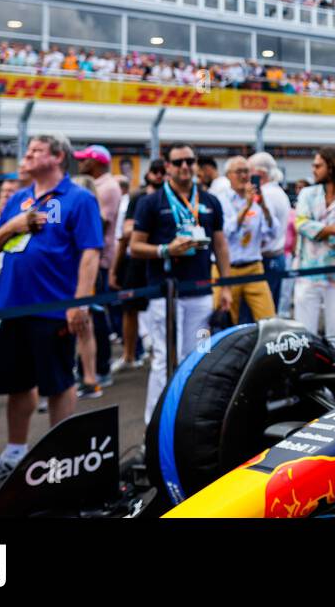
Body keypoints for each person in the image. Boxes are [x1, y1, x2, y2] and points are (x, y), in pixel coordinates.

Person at [0, 133, 104, 486]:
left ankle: (62, 456)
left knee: (58, 383)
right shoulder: (21, 199)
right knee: (17, 383)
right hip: (13, 306)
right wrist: (15, 224)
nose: (26, 156)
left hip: (55, 307)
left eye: (36, 151)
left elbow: (90, 252)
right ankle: (14, 453)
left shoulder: (79, 198)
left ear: (58, 157)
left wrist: (80, 302)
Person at [131, 143, 232, 424]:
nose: (185, 167)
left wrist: (225, 287)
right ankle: (154, 425)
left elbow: (221, 246)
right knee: (164, 359)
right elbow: (135, 246)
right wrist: (165, 250)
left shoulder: (210, 201)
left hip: (199, 292)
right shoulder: (151, 202)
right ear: (168, 167)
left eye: (190, 161)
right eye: (178, 163)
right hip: (164, 293)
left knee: (197, 356)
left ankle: (187, 419)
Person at [293, 147, 335, 353]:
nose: (313, 169)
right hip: (307, 272)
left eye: (318, 165)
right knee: (304, 334)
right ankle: (306, 379)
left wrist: (318, 229)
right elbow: (301, 225)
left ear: (332, 167)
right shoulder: (307, 193)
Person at [72, 144, 120, 398]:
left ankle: (99, 370)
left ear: (97, 162)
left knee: (93, 317)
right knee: (89, 317)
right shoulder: (98, 185)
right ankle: (91, 371)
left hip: (97, 261)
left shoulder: (107, 187)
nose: (80, 164)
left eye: (85, 160)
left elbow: (98, 224)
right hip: (88, 259)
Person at [111, 158, 165, 372]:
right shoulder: (138, 198)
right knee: (130, 308)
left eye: (162, 171)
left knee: (163, 309)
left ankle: (156, 352)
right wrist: (115, 270)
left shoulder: (173, 198)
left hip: (162, 261)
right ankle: (129, 354)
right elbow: (126, 234)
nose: (159, 175)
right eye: (155, 171)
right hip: (137, 260)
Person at [216, 156, 276, 323]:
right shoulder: (220, 200)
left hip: (254, 267)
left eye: (246, 171)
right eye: (238, 172)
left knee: (268, 318)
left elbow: (272, 232)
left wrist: (263, 206)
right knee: (225, 318)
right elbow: (226, 232)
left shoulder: (258, 199)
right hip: (227, 269)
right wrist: (246, 207)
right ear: (228, 175)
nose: (243, 176)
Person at [249, 152, 292, 312]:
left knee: (262, 314)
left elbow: (263, 230)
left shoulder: (267, 194)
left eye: (248, 171)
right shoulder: (278, 192)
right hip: (276, 257)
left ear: (259, 173)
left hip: (267, 258)